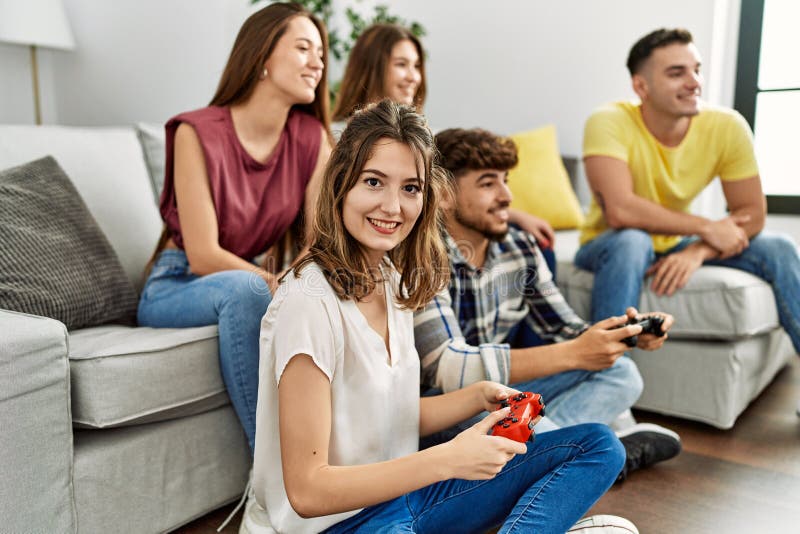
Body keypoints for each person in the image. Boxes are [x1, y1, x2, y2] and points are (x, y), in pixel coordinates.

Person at [246, 99, 629, 534]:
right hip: (335, 526)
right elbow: (308, 490)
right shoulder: (307, 302)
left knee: (598, 445)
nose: (393, 206)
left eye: (410, 188)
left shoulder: (390, 276)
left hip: (404, 500)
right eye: (374, 182)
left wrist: (475, 396)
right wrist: (447, 459)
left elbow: (389, 415)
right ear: (341, 185)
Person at [414, 127, 682, 482]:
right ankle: (595, 455)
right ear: (444, 194)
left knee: (621, 372)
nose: (507, 195)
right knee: (483, 417)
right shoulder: (422, 256)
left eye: (506, 180)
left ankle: (559, 457)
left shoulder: (519, 247)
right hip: (442, 406)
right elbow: (448, 370)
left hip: (501, 399)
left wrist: (625, 334)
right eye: (488, 183)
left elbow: (565, 328)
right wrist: (574, 353)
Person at [136, 2, 333, 453]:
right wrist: (275, 284)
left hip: (248, 278)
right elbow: (203, 254)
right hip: (178, 282)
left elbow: (317, 240)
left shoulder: (311, 138)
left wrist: (298, 285)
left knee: (323, 290)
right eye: (303, 48)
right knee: (250, 291)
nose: (318, 62)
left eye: (320, 53)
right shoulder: (196, 131)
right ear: (263, 56)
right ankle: (271, 473)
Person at [573, 29, 800, 374]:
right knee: (633, 240)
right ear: (641, 87)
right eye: (677, 73)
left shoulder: (726, 127)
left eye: (697, 69)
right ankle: (610, 379)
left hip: (677, 241)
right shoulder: (608, 121)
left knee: (779, 247)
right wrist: (709, 228)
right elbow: (620, 211)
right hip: (609, 243)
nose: (694, 82)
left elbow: (752, 214)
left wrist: (698, 250)